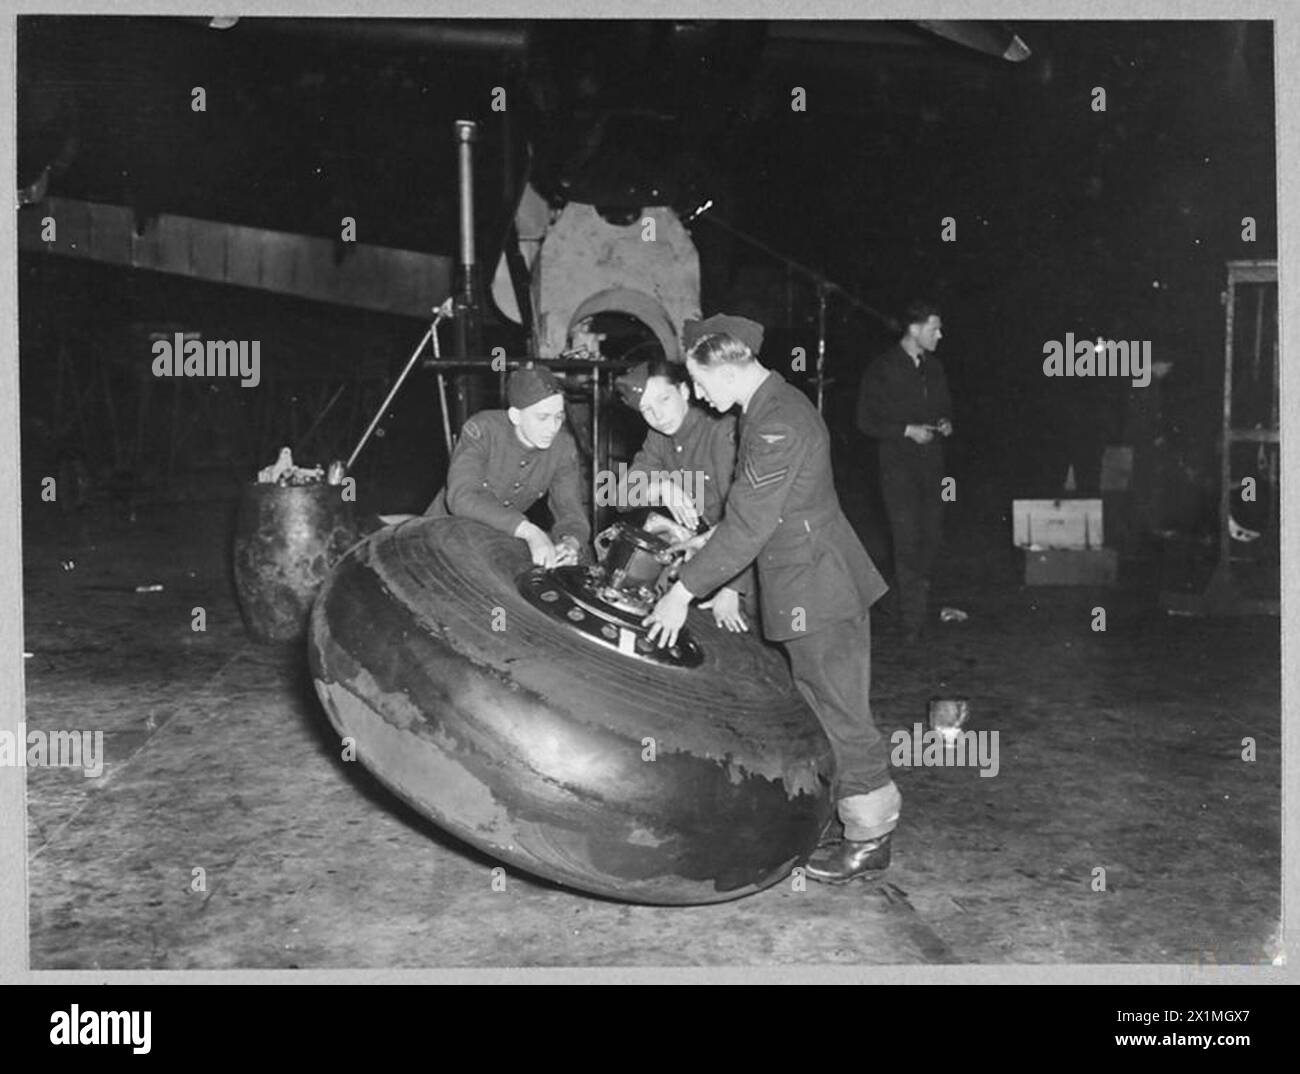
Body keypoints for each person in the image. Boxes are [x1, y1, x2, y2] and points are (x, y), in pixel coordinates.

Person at [643, 314, 900, 883]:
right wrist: (702, 542)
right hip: (805, 578)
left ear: (725, 368)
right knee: (819, 700)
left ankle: (871, 834)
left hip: (818, 585)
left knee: (839, 708)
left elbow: (751, 526)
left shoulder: (776, 423)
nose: (700, 393)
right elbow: (755, 514)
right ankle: (850, 817)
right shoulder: (768, 409)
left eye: (698, 379)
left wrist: (682, 594)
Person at [615, 358, 753, 632]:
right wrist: (660, 488)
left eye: (664, 399)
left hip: (756, 561)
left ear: (685, 391)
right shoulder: (660, 437)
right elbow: (620, 496)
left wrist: (732, 589)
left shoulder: (721, 429)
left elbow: (750, 518)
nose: (658, 415)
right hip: (716, 557)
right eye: (646, 410)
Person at [425, 364, 589, 568]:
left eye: (558, 417)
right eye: (543, 417)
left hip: (497, 541)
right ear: (515, 416)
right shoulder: (483, 430)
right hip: (440, 535)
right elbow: (462, 497)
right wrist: (530, 532)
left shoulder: (562, 448)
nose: (553, 428)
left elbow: (570, 511)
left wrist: (570, 544)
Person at [856, 300, 953, 643]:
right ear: (914, 329)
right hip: (897, 467)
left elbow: (944, 408)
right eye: (933, 328)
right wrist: (907, 431)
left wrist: (944, 422)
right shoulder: (882, 369)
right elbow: (865, 421)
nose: (940, 335)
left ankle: (897, 605)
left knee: (930, 538)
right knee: (907, 540)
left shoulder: (935, 368)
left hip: (932, 467)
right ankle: (912, 625)